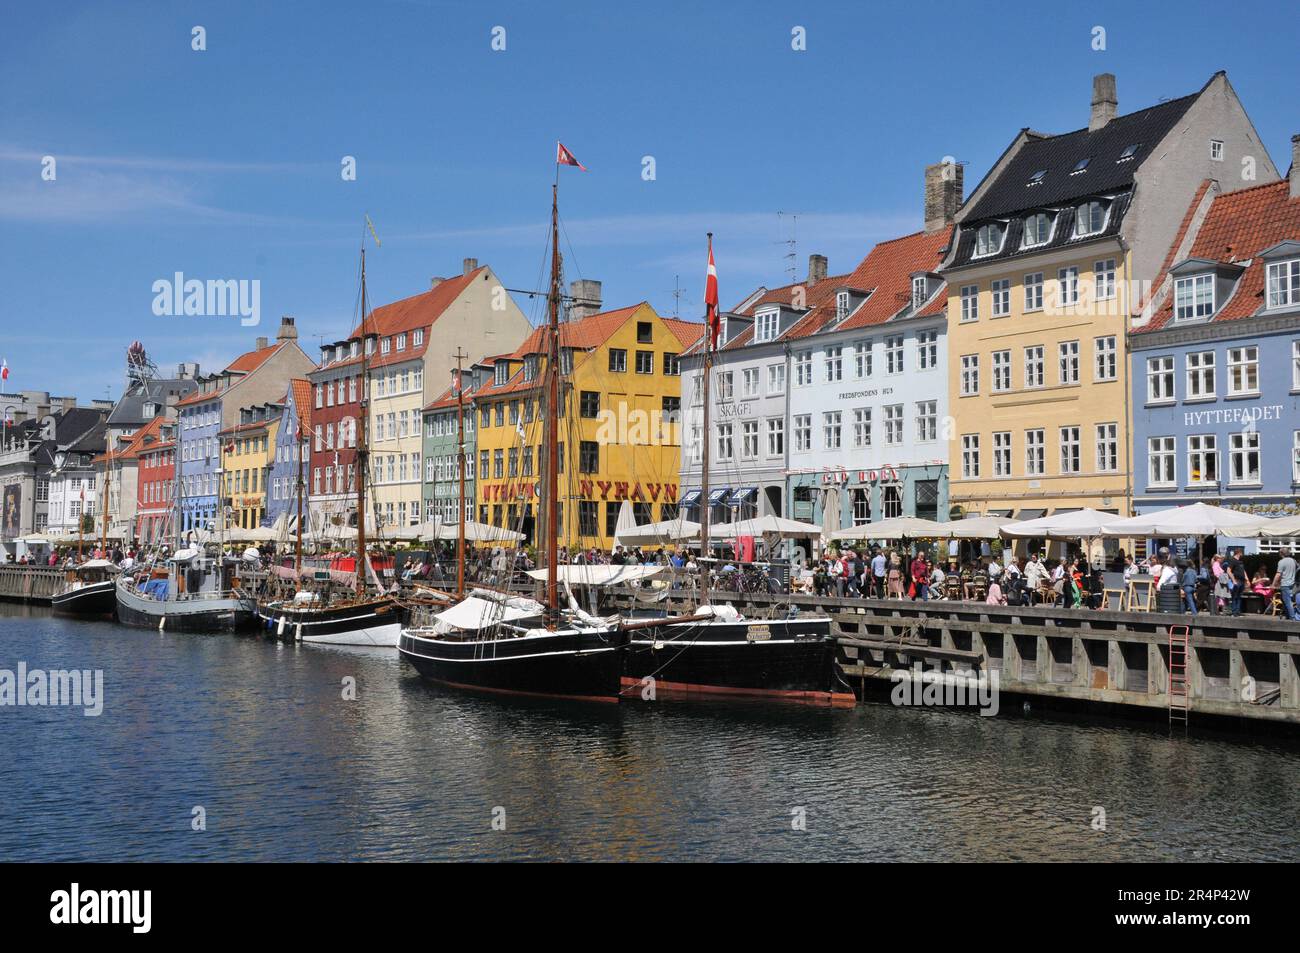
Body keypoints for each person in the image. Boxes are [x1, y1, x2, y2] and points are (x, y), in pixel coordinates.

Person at [1276, 548, 1298, 621]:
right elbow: (1298, 568)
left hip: (1285, 584)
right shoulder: (1293, 560)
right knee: (1286, 600)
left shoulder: (1281, 562)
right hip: (1293, 584)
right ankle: (1288, 616)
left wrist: (1273, 584)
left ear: (1281, 553)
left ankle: (1292, 618)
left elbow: (1278, 574)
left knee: (1287, 601)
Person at [1225, 548, 1248, 617]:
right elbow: (1228, 571)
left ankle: (1238, 611)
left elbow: (1243, 571)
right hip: (1237, 580)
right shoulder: (1232, 560)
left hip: (1242, 580)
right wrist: (1234, 580)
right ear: (1239, 553)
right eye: (1242, 553)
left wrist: (1247, 579)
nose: (1242, 554)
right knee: (1235, 596)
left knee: (1239, 596)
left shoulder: (1240, 561)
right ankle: (1234, 611)